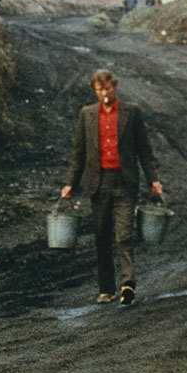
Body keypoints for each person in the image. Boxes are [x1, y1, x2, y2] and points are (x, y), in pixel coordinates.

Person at [60, 68, 164, 306]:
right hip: (98, 183)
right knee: (102, 236)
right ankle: (106, 289)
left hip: (125, 182)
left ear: (115, 87)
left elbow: (144, 150)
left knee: (124, 235)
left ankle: (127, 284)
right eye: (100, 90)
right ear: (95, 91)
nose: (105, 93)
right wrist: (70, 183)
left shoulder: (131, 113)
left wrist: (154, 179)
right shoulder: (87, 114)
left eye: (108, 88)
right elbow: (79, 152)